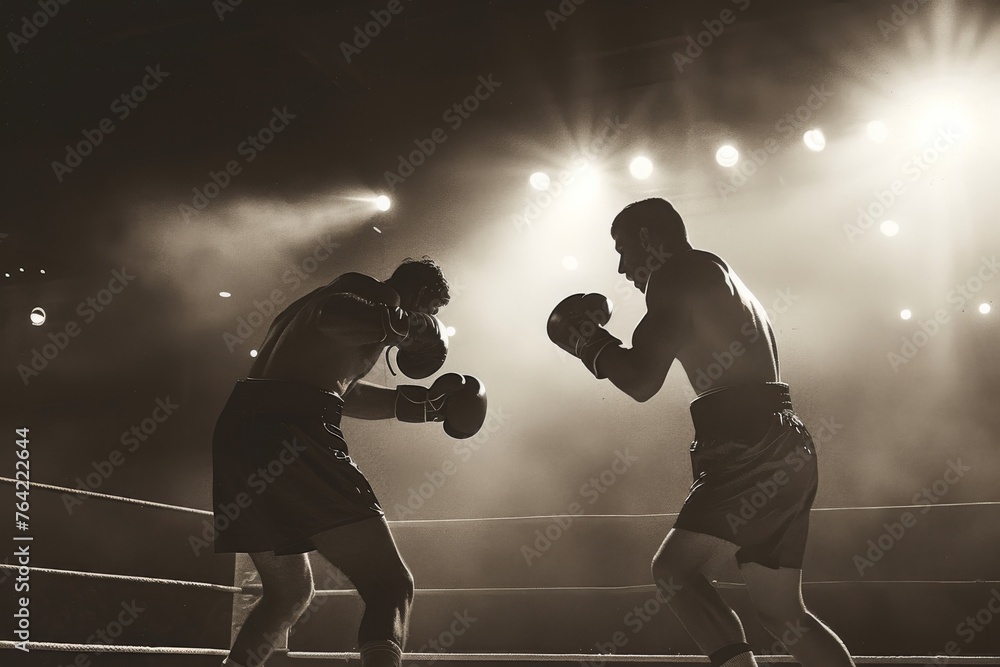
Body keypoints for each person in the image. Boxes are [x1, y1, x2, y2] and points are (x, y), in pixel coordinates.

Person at [547, 199, 855, 667]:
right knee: (782, 613)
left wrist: (590, 341)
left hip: (748, 443)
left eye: (624, 249)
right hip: (782, 441)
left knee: (674, 572)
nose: (622, 266)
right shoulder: (716, 273)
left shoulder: (676, 275)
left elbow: (641, 380)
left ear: (650, 240)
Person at [212, 257, 487, 667]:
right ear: (421, 300)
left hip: (242, 431)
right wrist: (411, 325)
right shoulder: (366, 293)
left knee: (289, 593)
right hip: (293, 427)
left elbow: (341, 392)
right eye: (429, 313)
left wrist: (424, 406)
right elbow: (334, 318)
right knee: (390, 585)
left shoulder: (309, 310)